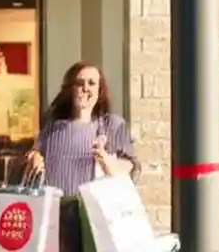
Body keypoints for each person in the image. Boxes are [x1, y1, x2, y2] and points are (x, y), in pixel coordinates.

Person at [25, 62, 137, 252]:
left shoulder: (112, 125)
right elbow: (34, 153)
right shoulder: (52, 126)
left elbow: (130, 166)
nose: (85, 88)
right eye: (79, 83)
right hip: (55, 216)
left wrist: (107, 161)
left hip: (94, 217)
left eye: (92, 83)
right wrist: (34, 155)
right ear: (69, 89)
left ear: (100, 90)